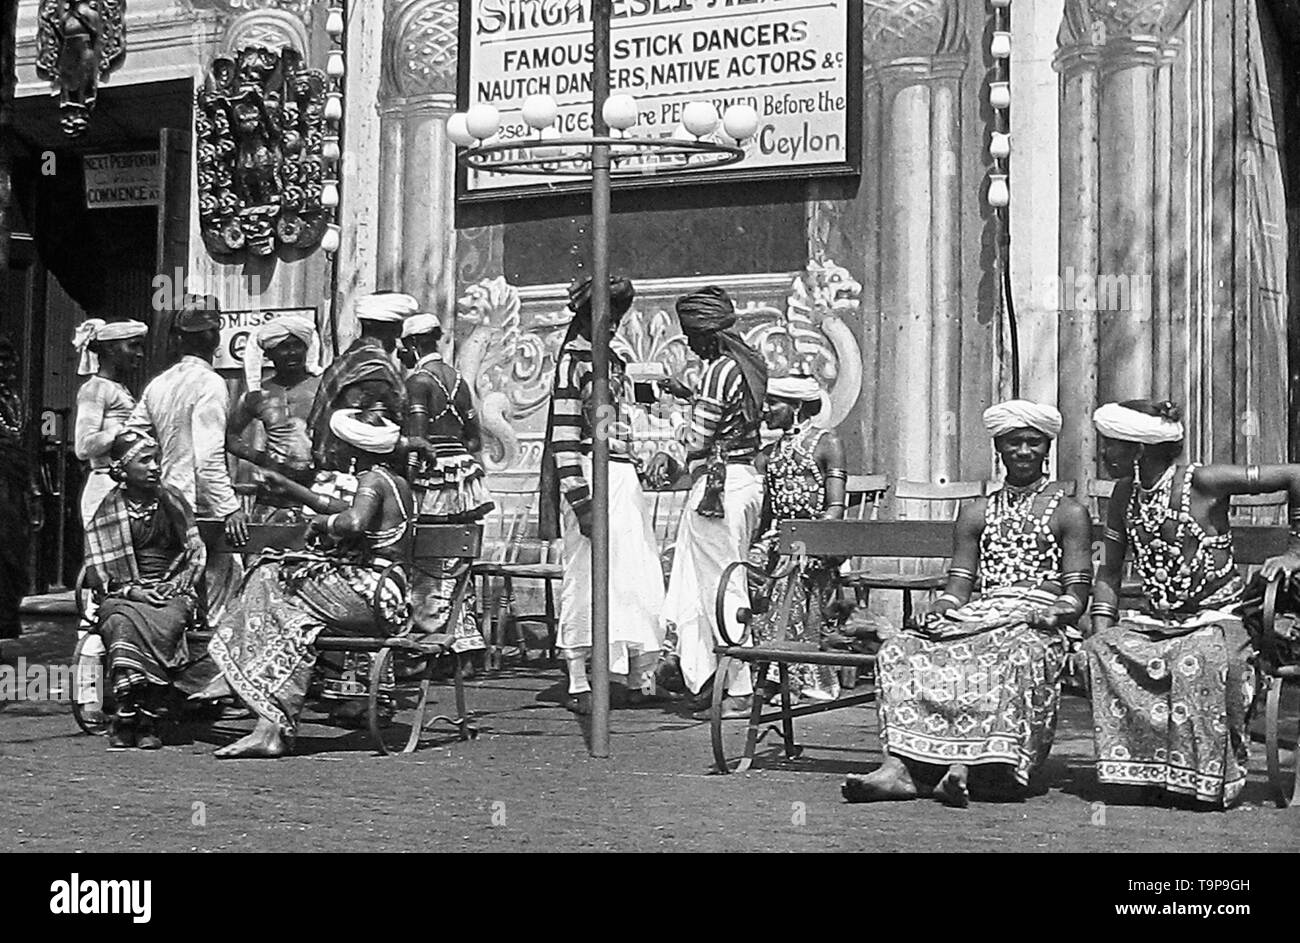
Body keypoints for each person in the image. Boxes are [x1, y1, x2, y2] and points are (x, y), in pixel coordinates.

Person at [843, 401, 1093, 807]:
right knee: (900, 649)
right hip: (980, 615)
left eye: (1033, 443)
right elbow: (959, 585)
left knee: (1015, 654)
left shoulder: (1069, 512)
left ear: (1048, 448)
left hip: (1036, 621)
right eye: (1014, 443)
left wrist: (1057, 611)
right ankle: (899, 768)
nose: (1024, 452)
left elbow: (1076, 593)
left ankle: (972, 766)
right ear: (999, 448)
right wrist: (940, 606)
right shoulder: (976, 511)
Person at [1085, 400, 1300, 808]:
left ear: (1140, 449)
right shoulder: (1123, 494)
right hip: (1158, 620)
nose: (1104, 454)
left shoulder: (1203, 481)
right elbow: (1109, 573)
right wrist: (1100, 629)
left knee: (1198, 657)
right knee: (1101, 650)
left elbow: (1297, 474)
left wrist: (1295, 551)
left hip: (1221, 619)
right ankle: (1146, 773)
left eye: (1112, 445)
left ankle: (1205, 777)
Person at [208, 408, 415, 758]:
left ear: (355, 448)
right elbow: (341, 505)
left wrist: (322, 524)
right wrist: (290, 488)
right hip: (385, 593)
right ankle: (270, 726)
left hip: (370, 594)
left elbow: (353, 521)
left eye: (340, 444)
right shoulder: (392, 480)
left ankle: (237, 676)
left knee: (269, 573)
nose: (335, 450)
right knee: (290, 619)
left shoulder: (372, 480)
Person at [539, 276, 665, 713]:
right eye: (609, 314)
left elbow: (612, 427)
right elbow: (564, 436)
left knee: (634, 578)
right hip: (592, 481)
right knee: (585, 577)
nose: (615, 324)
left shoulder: (613, 361)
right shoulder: (575, 360)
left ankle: (634, 675)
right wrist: (580, 500)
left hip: (622, 477)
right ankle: (578, 680)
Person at [647, 285, 768, 719]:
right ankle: (710, 676)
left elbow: (698, 440)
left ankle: (739, 686)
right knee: (699, 582)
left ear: (704, 334)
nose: (691, 345)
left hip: (721, 486)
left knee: (721, 585)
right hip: (743, 480)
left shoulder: (718, 371)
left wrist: (675, 422)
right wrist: (688, 396)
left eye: (692, 336)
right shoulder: (748, 365)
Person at [84, 431, 210, 749]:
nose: (155, 467)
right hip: (125, 595)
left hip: (171, 590)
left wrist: (174, 585)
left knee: (170, 619)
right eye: (145, 460)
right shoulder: (108, 512)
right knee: (119, 622)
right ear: (123, 470)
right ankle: (131, 713)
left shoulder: (173, 502)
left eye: (157, 459)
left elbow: (194, 553)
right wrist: (133, 592)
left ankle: (145, 717)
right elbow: (99, 571)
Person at [126, 297, 247, 627]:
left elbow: (131, 439)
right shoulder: (211, 384)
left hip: (167, 502)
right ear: (215, 340)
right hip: (200, 506)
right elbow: (208, 457)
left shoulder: (158, 385)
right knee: (222, 592)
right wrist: (229, 507)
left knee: (181, 582)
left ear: (180, 339)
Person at [747, 374, 846, 704]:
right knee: (752, 569)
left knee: (791, 572)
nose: (766, 410)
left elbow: (835, 507)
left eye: (774, 404)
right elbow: (765, 510)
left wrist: (812, 536)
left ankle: (791, 676)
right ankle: (767, 669)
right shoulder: (770, 453)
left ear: (798, 406)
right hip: (781, 537)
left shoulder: (827, 442)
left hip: (817, 538)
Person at [401, 312, 493, 655]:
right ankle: (463, 642)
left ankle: (432, 644)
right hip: (464, 481)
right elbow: (473, 439)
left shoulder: (419, 382)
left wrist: (410, 481)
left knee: (427, 558)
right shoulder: (458, 380)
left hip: (432, 478)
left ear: (412, 344)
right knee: (456, 559)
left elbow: (418, 439)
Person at [225, 314, 322, 522]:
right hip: (273, 495)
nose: (292, 353)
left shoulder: (322, 387)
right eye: (283, 347)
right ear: (269, 353)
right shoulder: (259, 395)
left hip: (318, 490)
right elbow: (229, 436)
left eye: (297, 346)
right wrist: (260, 458)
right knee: (265, 551)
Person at [308, 291, 414, 471]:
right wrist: (409, 443)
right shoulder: (376, 369)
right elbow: (370, 428)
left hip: (331, 464)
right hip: (362, 469)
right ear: (396, 329)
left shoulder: (349, 359)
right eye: (397, 326)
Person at [72, 318, 148, 527]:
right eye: (133, 346)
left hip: (123, 487)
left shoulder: (119, 390)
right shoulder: (95, 389)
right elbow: (84, 447)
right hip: (105, 488)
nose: (140, 353)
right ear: (111, 350)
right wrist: (121, 430)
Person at [0, 338, 42, 665]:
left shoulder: (13, 400)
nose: (7, 368)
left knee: (10, 558)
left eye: (10, 362)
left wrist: (33, 491)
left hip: (12, 492)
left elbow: (22, 447)